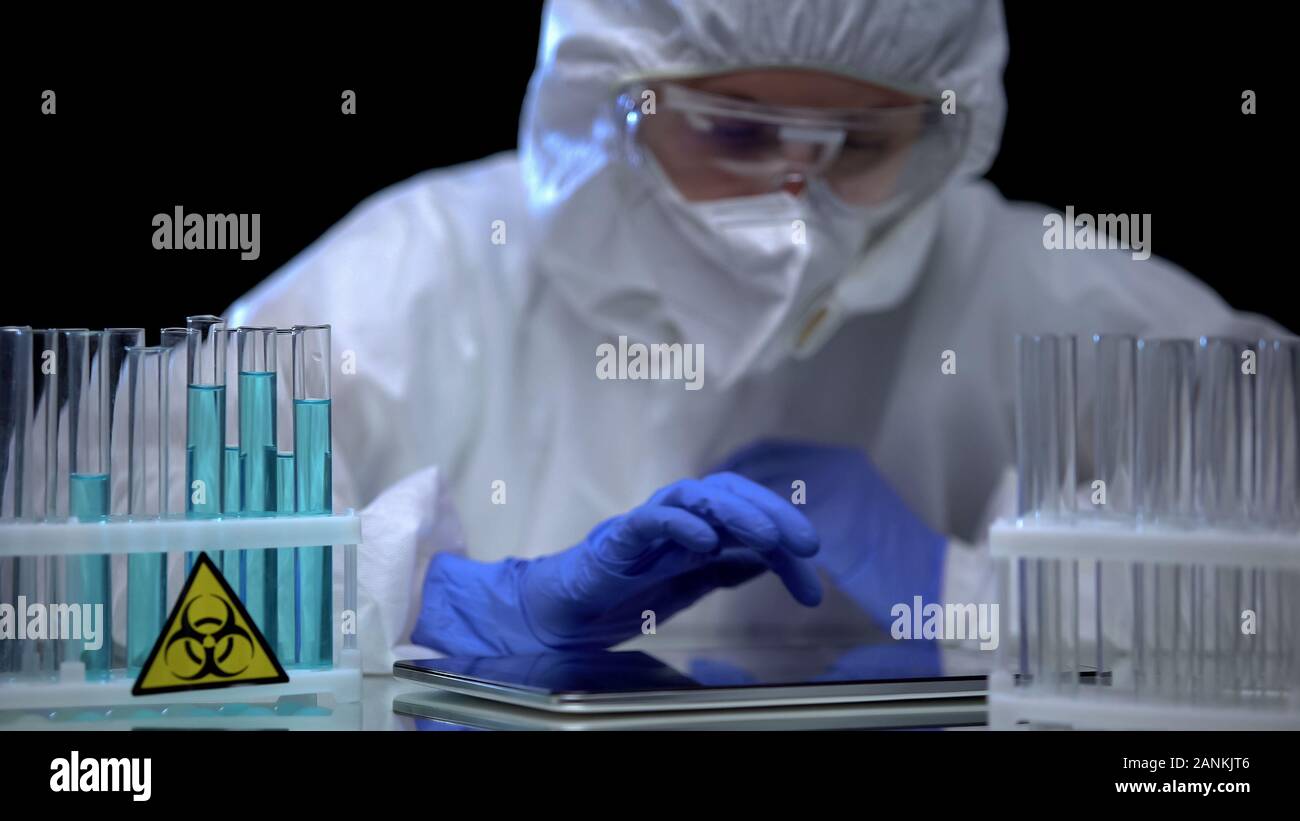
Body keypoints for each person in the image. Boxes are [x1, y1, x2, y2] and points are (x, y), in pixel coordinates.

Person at [228, 0, 1286, 669]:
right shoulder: (431, 263)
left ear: (940, 120)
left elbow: (1266, 612)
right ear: (612, 92)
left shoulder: (1046, 291)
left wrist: (981, 608)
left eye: (860, 141)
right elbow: (121, 592)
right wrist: (406, 605)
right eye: (732, 130)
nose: (795, 206)